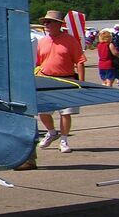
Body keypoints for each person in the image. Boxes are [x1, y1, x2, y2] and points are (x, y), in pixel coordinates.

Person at [34, 10, 87, 153]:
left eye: (48, 22)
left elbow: (80, 62)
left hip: (66, 80)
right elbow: (39, 62)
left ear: (58, 24)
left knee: (65, 112)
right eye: (44, 22)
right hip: (47, 80)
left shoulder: (70, 40)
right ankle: (51, 132)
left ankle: (64, 140)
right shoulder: (42, 41)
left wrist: (81, 83)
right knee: (43, 111)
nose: (46, 25)